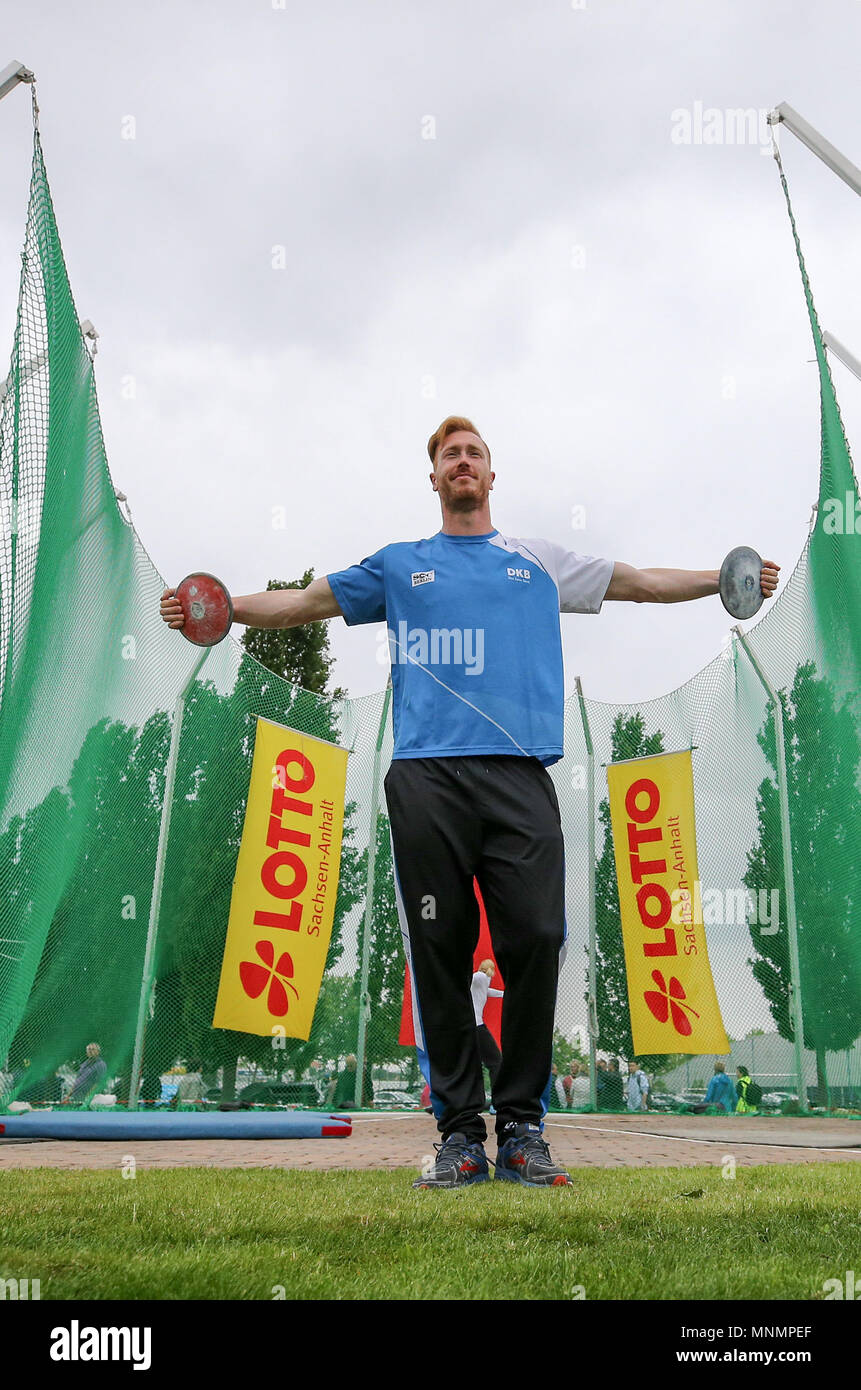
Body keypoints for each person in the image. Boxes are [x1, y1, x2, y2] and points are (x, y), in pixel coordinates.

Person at [161, 415, 779, 1189]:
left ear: (491, 477)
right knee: (439, 952)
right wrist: (214, 608)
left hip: (518, 775)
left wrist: (724, 581)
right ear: (434, 480)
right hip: (426, 778)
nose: (461, 462)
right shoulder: (399, 565)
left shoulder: (537, 561)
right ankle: (458, 1134)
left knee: (536, 937)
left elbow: (641, 584)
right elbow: (304, 603)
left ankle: (520, 1126)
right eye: (448, 454)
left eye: (473, 454)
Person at [471, 959, 504, 1099]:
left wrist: (505, 994)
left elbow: (488, 992)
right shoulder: (481, 977)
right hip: (477, 1026)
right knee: (495, 1060)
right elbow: (473, 978)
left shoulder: (482, 982)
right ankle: (498, 1099)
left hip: (470, 1027)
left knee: (473, 1063)